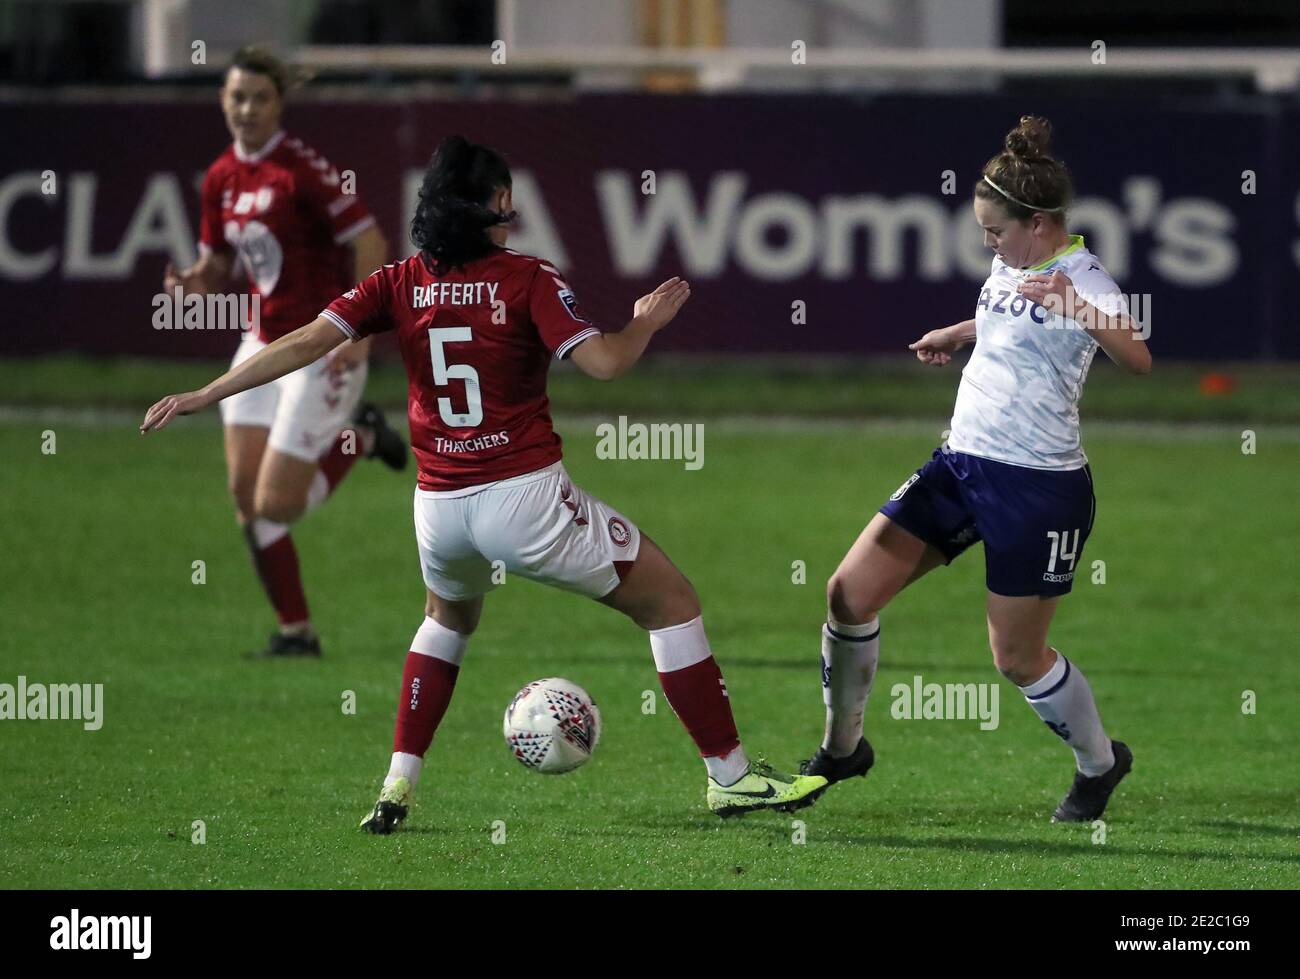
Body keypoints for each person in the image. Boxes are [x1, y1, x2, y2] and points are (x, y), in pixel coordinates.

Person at [142, 135, 828, 830]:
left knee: (446, 620)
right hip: (524, 498)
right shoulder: (527, 277)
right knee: (673, 601)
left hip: (438, 507)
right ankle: (732, 777)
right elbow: (607, 364)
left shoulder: (400, 282)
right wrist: (644, 322)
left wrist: (207, 392)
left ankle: (396, 786)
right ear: (497, 203)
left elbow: (304, 342)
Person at [801, 116, 1150, 823]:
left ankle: (1099, 765)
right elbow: (1005, 312)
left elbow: (1137, 356)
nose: (988, 244)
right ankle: (843, 749)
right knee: (847, 594)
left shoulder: (1081, 275)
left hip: (1038, 489)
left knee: (1018, 660)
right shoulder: (1013, 264)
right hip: (959, 467)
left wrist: (1076, 304)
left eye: (996, 232)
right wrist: (959, 333)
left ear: (1041, 222)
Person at [163, 46, 406, 658]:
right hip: (261, 340)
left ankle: (364, 437)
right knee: (247, 502)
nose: (245, 108)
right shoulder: (221, 176)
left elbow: (371, 241)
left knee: (279, 503)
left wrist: (362, 330)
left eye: (259, 98)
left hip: (320, 346)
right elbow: (221, 265)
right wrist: (197, 280)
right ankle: (296, 632)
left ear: (279, 105)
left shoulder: (300, 171)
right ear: (223, 100)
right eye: (236, 96)